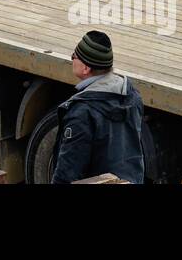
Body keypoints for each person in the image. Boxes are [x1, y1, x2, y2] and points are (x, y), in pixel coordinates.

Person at [51, 30, 145, 184]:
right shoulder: (132, 95)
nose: (72, 58)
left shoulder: (82, 113)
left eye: (74, 55)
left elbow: (68, 171)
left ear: (86, 68)